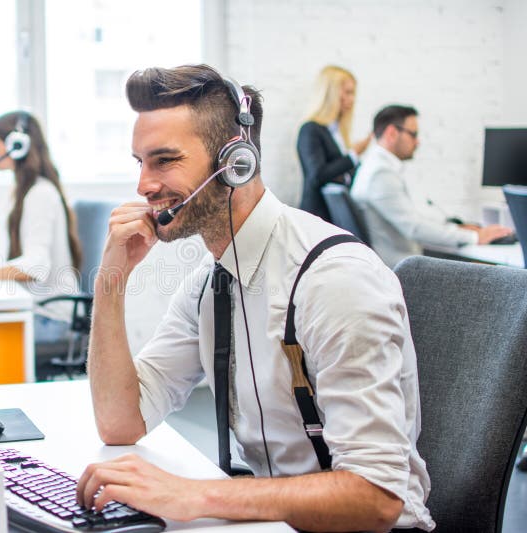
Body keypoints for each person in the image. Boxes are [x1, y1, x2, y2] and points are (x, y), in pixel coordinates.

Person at [76, 64, 434, 532]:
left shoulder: (334, 280)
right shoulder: (210, 284)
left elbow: (377, 497)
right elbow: (121, 423)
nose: (143, 184)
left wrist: (194, 495)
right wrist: (110, 282)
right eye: (139, 162)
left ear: (235, 163)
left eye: (164, 160)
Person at [351, 105, 513, 268]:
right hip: (402, 269)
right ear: (392, 133)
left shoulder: (370, 167)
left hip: (398, 265)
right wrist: (475, 237)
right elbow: (414, 228)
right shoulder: (380, 174)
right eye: (413, 134)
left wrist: (457, 228)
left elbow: (411, 219)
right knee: (492, 272)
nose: (417, 142)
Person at [0, 111, 82, 343]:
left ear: (16, 146)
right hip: (37, 312)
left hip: (52, 319)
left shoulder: (40, 195)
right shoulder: (22, 194)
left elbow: (36, 267)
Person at [297, 65, 371, 223]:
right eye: (348, 92)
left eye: (353, 93)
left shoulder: (338, 131)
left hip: (337, 215)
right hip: (316, 216)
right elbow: (317, 175)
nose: (352, 99)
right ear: (331, 93)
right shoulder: (310, 130)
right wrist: (353, 156)